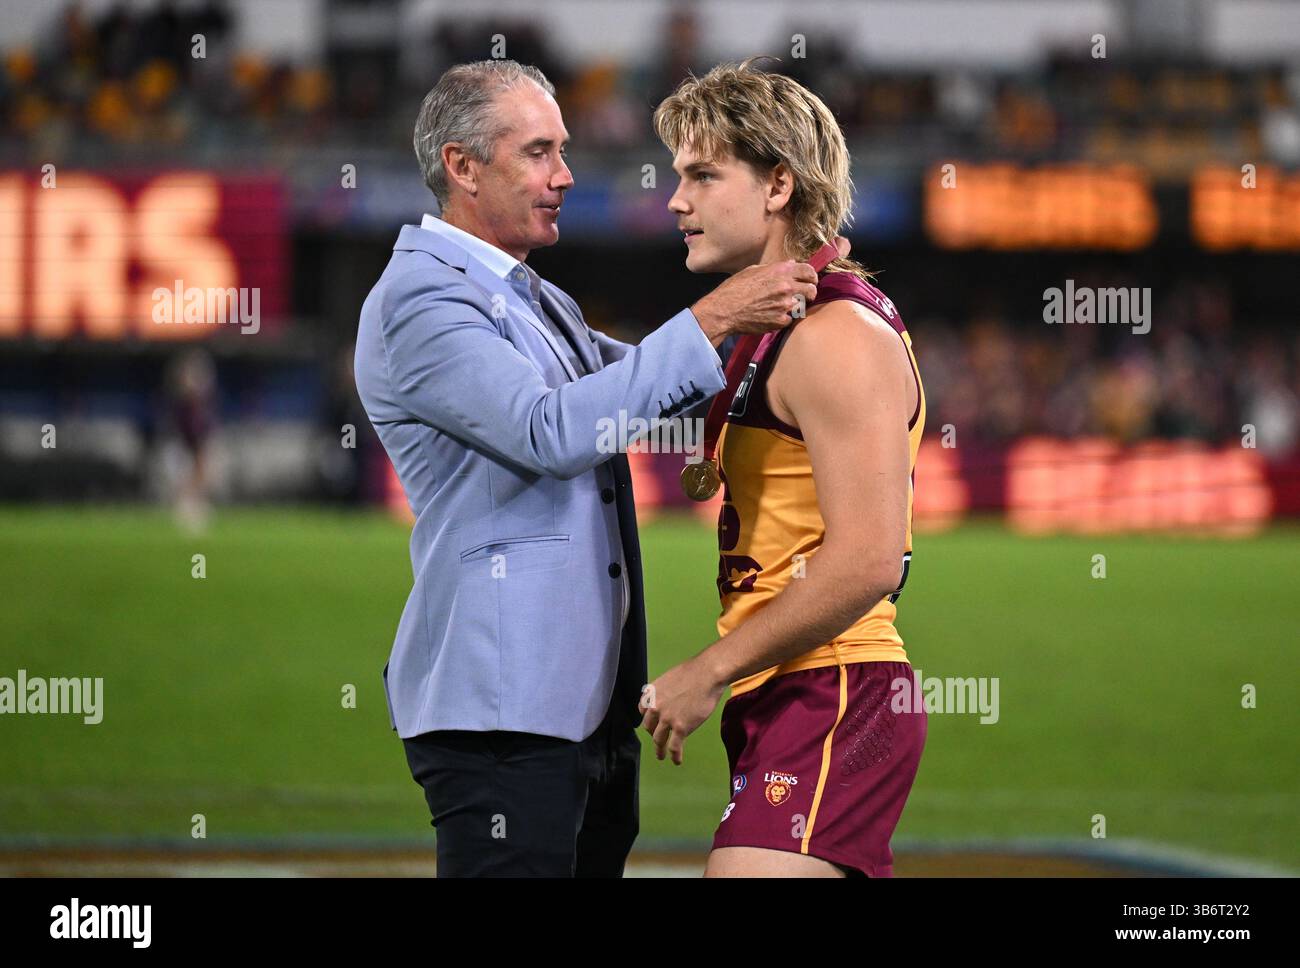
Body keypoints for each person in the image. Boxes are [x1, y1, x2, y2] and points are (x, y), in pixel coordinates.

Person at [352, 59, 828, 877]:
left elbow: (661, 394)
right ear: (463, 167)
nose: (565, 176)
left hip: (577, 705)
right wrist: (717, 313)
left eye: (563, 151)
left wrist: (799, 310)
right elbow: (551, 431)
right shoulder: (422, 299)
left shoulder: (531, 295)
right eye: (539, 152)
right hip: (502, 712)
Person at [639, 60, 927, 878]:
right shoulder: (788, 325)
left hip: (837, 688)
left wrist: (708, 670)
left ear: (777, 186)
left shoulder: (835, 336)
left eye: (701, 174)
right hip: (795, 687)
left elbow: (871, 558)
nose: (676, 200)